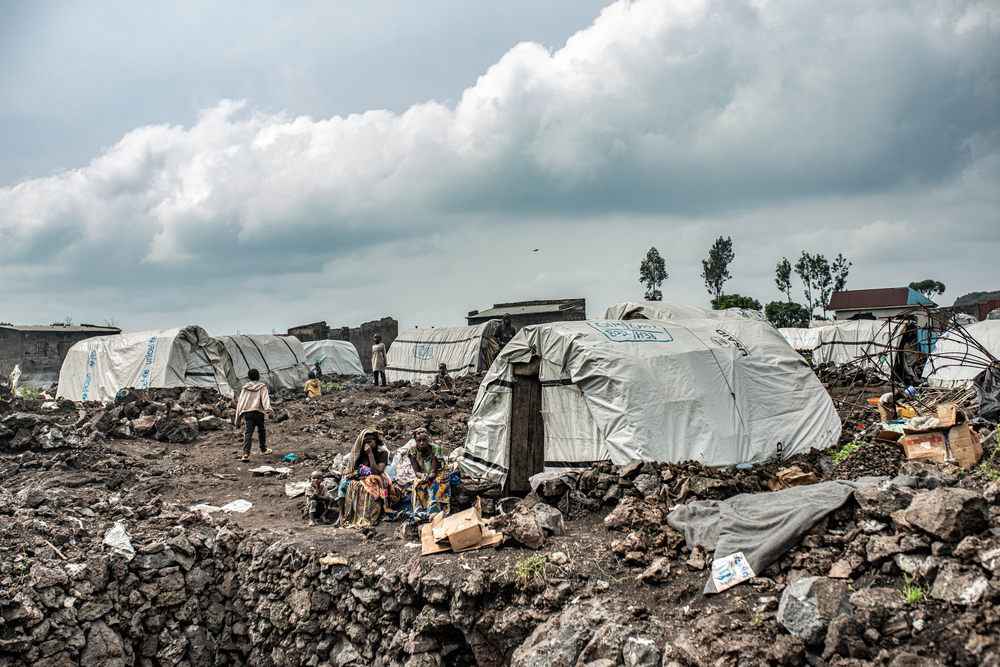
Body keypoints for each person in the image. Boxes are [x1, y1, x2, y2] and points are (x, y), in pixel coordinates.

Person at [337, 429, 400, 526]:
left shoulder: (382, 454)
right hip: (360, 478)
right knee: (343, 483)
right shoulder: (360, 455)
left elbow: (377, 471)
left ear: (375, 442)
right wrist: (356, 475)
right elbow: (355, 470)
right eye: (365, 443)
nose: (367, 445)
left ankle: (370, 516)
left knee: (372, 483)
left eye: (370, 442)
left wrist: (370, 454)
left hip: (376, 478)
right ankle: (341, 516)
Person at [407, 427, 450, 521]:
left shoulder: (435, 449)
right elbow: (416, 471)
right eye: (419, 441)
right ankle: (420, 514)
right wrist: (422, 476)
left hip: (439, 472)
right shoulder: (412, 451)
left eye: (424, 440)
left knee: (434, 484)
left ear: (428, 440)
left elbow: (434, 472)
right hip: (423, 473)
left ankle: (435, 513)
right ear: (415, 441)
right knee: (418, 485)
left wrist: (427, 477)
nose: (422, 443)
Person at [235, 369, 274, 462]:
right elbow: (265, 400)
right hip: (258, 412)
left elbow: (240, 403)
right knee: (261, 430)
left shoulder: (245, 388)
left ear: (249, 378)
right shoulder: (262, 387)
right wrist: (269, 412)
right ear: (258, 377)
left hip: (247, 413)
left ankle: (246, 453)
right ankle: (263, 449)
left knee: (248, 432)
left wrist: (237, 420)